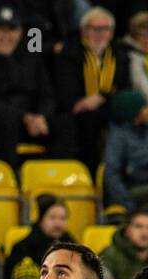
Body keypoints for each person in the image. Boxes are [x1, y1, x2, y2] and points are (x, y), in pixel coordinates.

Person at [0, 5, 68, 165]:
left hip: (33, 122)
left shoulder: (31, 58)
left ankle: (60, 178)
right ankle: (10, 178)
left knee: (64, 123)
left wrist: (41, 116)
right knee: (7, 122)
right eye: (0, 30)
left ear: (20, 32)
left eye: (11, 30)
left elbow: (47, 94)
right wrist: (24, 117)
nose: (5, 36)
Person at [53, 6, 129, 174]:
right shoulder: (69, 53)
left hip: (111, 109)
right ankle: (88, 176)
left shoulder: (120, 55)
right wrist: (85, 102)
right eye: (93, 28)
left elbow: (125, 90)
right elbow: (63, 92)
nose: (99, 33)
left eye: (104, 29)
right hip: (76, 112)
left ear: (111, 32)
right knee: (86, 121)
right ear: (83, 31)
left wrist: (101, 97)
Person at [103, 89, 148, 212]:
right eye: (145, 106)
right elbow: (111, 175)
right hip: (132, 191)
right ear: (134, 112)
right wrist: (129, 203)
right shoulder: (118, 137)